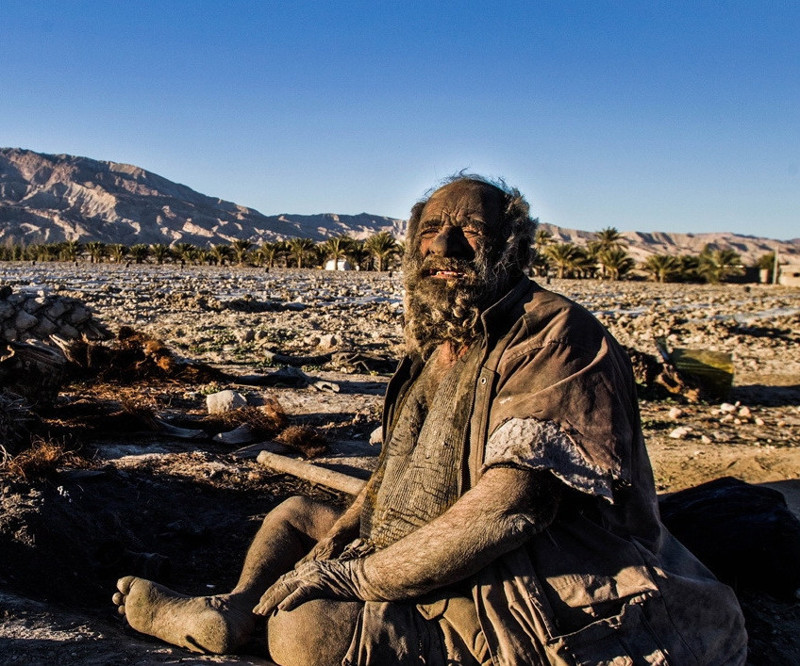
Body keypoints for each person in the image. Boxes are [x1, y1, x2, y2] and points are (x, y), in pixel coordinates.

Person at [114, 177, 747, 665]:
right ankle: (237, 609)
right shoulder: (434, 346)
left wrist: (353, 575)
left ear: (513, 248)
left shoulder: (555, 334)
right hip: (411, 549)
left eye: (469, 231)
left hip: (522, 572)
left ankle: (273, 622)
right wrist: (347, 536)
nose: (444, 247)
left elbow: (512, 508)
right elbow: (392, 475)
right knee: (295, 516)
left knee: (306, 630)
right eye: (430, 231)